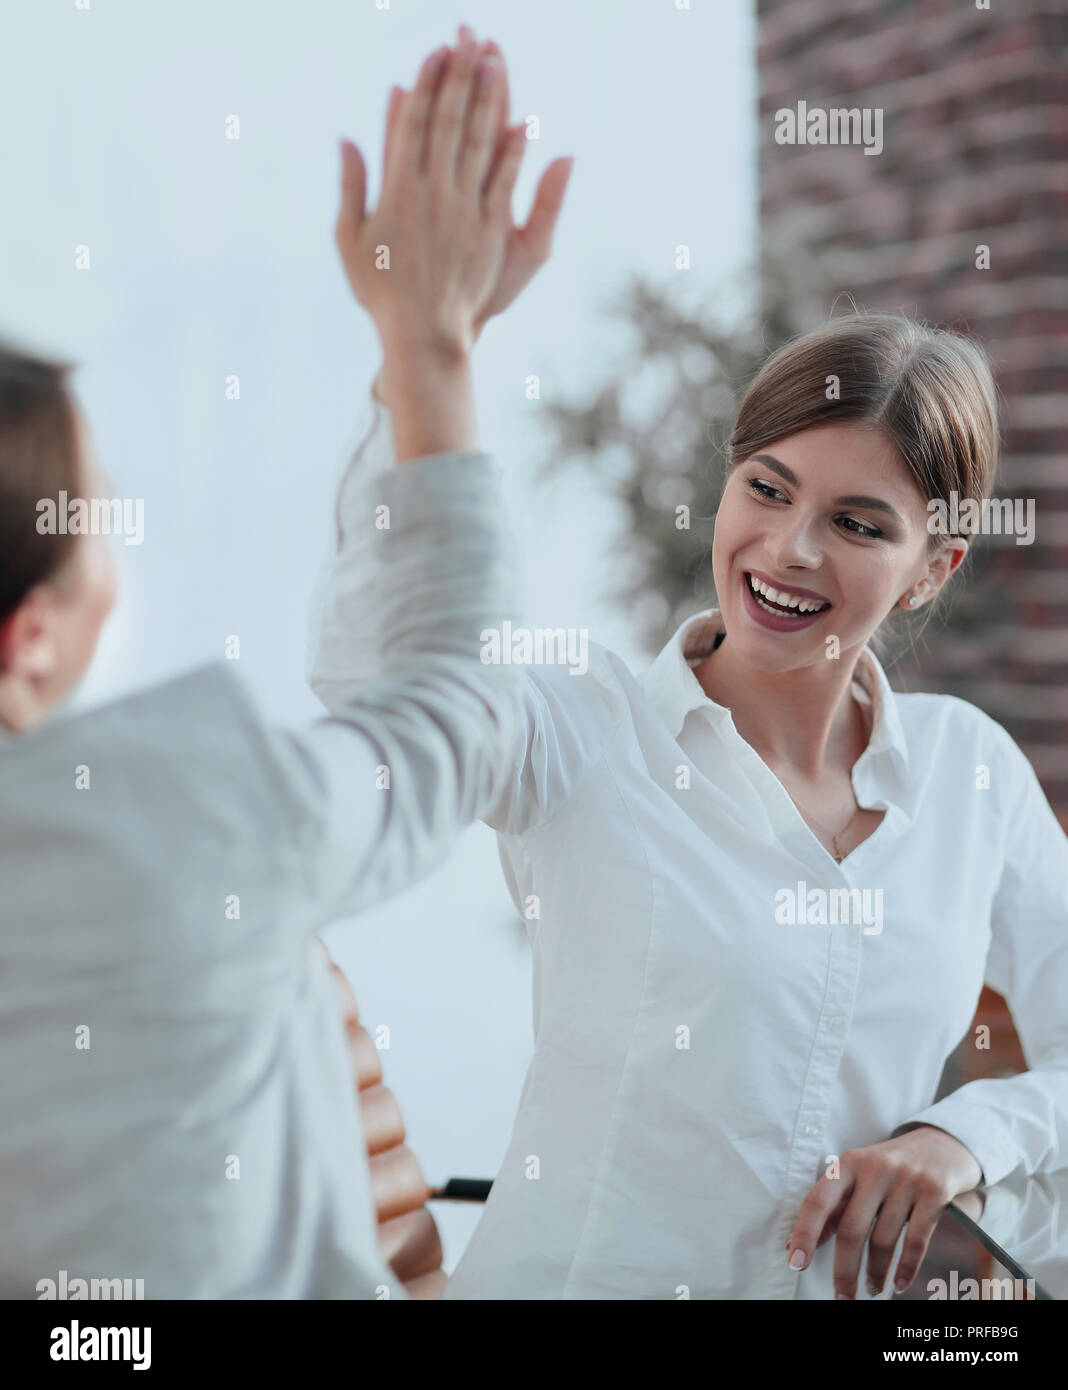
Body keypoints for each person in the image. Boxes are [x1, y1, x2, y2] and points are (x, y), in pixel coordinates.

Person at [310, 34, 1068, 1302]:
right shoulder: (581, 732)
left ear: (933, 570)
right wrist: (422, 355)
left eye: (859, 523)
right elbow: (382, 684)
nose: (787, 548)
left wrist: (965, 1138)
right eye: (765, 489)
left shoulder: (969, 776)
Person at [0, 35, 538, 1299]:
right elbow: (456, 703)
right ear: (27, 636)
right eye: (103, 517)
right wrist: (430, 343)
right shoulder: (174, 818)